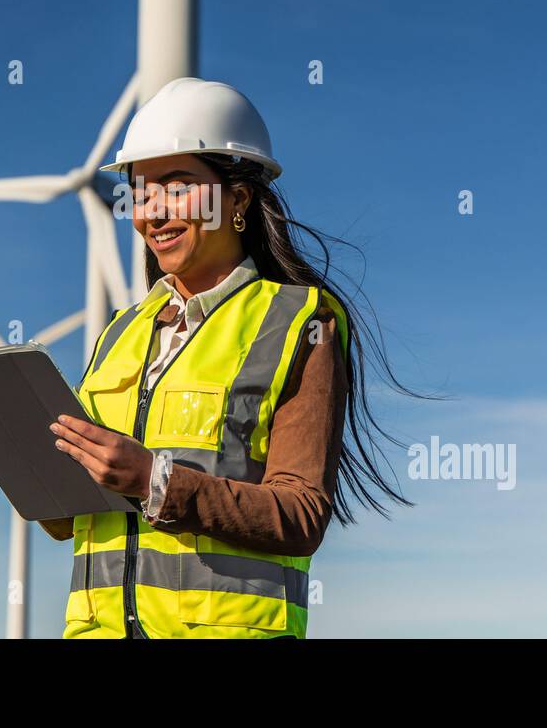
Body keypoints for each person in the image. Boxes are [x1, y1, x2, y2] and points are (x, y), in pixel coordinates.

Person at [41, 77, 415, 639]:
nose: (153, 212)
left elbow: (301, 514)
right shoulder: (120, 332)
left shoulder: (299, 322)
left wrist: (154, 481)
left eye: (177, 186)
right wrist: (33, 470)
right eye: (141, 193)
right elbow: (70, 521)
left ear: (238, 200)